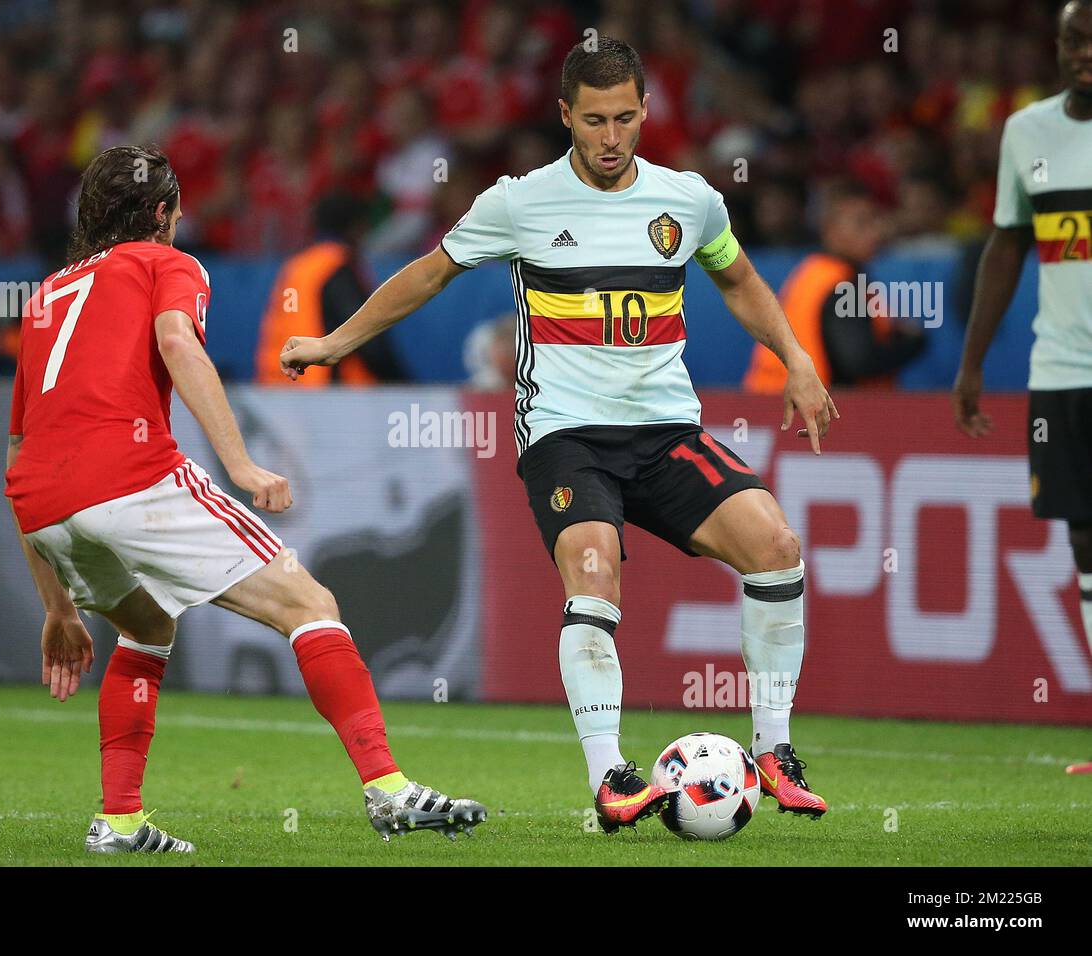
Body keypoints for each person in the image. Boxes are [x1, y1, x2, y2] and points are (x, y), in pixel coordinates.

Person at [281, 38, 838, 829]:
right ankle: (612, 776)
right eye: (594, 121)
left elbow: (740, 278)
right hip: (566, 435)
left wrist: (795, 358)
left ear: (646, 111)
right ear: (565, 116)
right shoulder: (519, 202)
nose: (611, 138)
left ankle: (775, 752)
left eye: (626, 118)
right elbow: (429, 273)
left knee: (777, 548)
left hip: (664, 429)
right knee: (593, 567)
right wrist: (336, 341)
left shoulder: (688, 200)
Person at [5, 145, 485, 853]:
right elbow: (178, 340)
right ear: (164, 213)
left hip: (44, 505)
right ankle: (388, 789)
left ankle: (120, 821)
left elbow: (17, 451)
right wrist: (239, 462)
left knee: (147, 628)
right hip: (129, 477)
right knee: (310, 604)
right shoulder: (168, 262)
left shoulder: (46, 294)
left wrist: (56, 605)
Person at [952, 0, 1092, 776]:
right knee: (1084, 540)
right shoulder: (1028, 132)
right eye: (1075, 39)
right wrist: (971, 364)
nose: (1086, 53)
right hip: (1063, 371)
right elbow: (1008, 243)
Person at [743, 184, 925, 394]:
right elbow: (858, 362)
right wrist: (912, 343)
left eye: (876, 220)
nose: (876, 231)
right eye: (861, 223)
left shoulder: (813, 272)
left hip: (772, 401)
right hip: (802, 409)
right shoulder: (841, 285)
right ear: (830, 230)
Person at [254, 193, 408, 385]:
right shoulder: (336, 267)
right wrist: (403, 385)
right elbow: (365, 336)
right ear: (355, 227)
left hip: (281, 389)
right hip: (326, 397)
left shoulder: (296, 267)